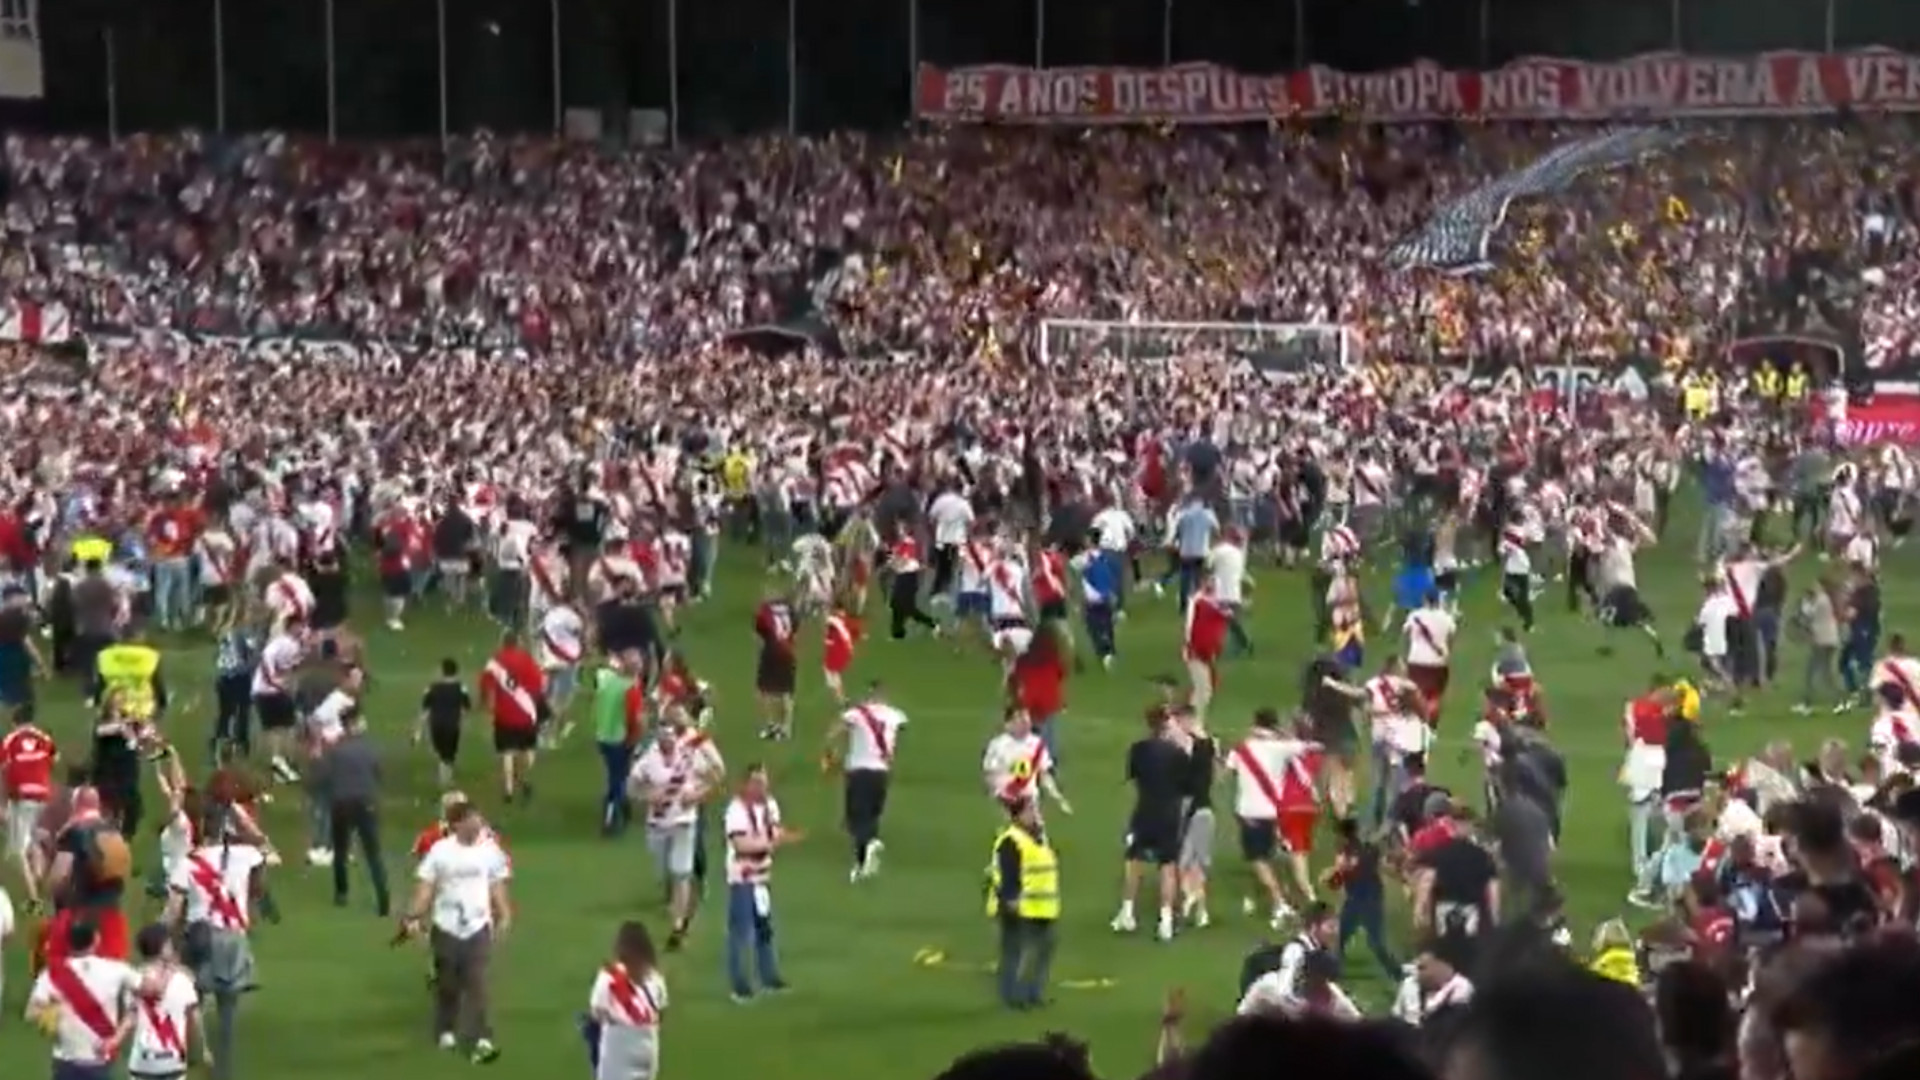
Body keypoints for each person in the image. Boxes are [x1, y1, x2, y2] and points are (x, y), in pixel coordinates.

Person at [164, 787, 267, 1080]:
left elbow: (173, 911)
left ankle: (186, 1060)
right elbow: (265, 850)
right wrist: (236, 810)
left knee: (185, 1005)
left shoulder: (188, 862)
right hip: (233, 937)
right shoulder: (247, 855)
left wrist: (160, 940)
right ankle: (223, 1073)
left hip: (198, 936)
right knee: (227, 1016)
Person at [403, 801, 511, 1064]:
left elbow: (495, 882)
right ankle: (445, 1029)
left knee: (477, 981)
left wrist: (504, 912)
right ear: (456, 824)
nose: (478, 824)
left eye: (479, 819)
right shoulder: (440, 852)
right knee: (448, 982)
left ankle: (481, 1037)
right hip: (446, 925)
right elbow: (426, 886)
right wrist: (414, 914)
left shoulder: (489, 851)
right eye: (472, 820)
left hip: (477, 925)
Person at [26, 919, 141, 1080]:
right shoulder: (117, 970)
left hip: (65, 1060)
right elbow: (145, 996)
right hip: (100, 1059)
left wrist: (52, 1012)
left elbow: (31, 1013)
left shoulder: (51, 974)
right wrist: (118, 1037)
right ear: (96, 939)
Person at [1112, 706, 1187, 940]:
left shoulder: (1138, 750)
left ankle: (1127, 913)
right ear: (1166, 724)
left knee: (1135, 861)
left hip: (1144, 810)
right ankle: (1165, 921)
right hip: (1170, 813)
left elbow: (1132, 776)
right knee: (1167, 865)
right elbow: (1185, 784)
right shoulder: (1177, 753)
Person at [721, 763, 793, 1002]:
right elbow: (740, 845)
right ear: (747, 784)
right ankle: (740, 985)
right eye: (757, 782)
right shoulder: (736, 810)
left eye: (764, 781)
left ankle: (769, 977)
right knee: (741, 932)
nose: (762, 786)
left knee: (764, 929)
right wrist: (768, 844)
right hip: (742, 877)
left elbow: (774, 830)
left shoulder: (770, 805)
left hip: (763, 877)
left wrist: (780, 836)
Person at [824, 682, 907, 882]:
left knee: (857, 817)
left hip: (859, 769)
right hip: (881, 771)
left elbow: (834, 731)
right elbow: (897, 735)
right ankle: (870, 850)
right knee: (872, 812)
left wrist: (831, 753)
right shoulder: (895, 715)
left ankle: (864, 855)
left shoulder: (857, 714)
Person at [314, 705, 392, 915]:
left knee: (340, 850)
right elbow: (379, 773)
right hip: (366, 801)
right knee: (373, 852)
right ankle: (383, 898)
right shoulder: (370, 747)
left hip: (341, 802)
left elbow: (323, 777)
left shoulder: (335, 749)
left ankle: (341, 893)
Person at [988, 795, 1059, 1010]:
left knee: (1042, 952)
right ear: (1017, 816)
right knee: (1015, 953)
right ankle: (1012, 997)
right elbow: (1008, 872)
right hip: (1020, 907)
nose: (1035, 814)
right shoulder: (1012, 840)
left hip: (1043, 907)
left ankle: (1032, 994)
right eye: (1030, 811)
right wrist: (1011, 900)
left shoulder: (1036, 837)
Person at [582, 921, 668, 1080]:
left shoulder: (609, 977)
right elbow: (660, 1013)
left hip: (617, 1046)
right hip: (647, 1045)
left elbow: (597, 1012)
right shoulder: (655, 978)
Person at [127, 921, 204, 1080]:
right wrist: (198, 1050)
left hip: (141, 1062)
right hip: (173, 1061)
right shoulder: (183, 980)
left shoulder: (133, 979)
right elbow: (193, 1020)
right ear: (164, 947)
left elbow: (129, 1019)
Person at [479, 629, 547, 803]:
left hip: (504, 714)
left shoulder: (495, 661)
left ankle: (509, 789)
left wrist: (485, 705)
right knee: (528, 751)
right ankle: (521, 777)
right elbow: (540, 684)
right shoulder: (527, 660)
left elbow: (485, 686)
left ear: (502, 642)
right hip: (527, 713)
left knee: (507, 752)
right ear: (518, 642)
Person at [416, 658, 472, 790]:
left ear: (442, 671)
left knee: (442, 752)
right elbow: (466, 708)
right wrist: (462, 720)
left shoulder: (432, 688)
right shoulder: (461, 688)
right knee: (449, 752)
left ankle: (444, 779)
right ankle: (446, 779)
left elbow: (425, 710)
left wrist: (418, 729)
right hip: (452, 725)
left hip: (436, 724)